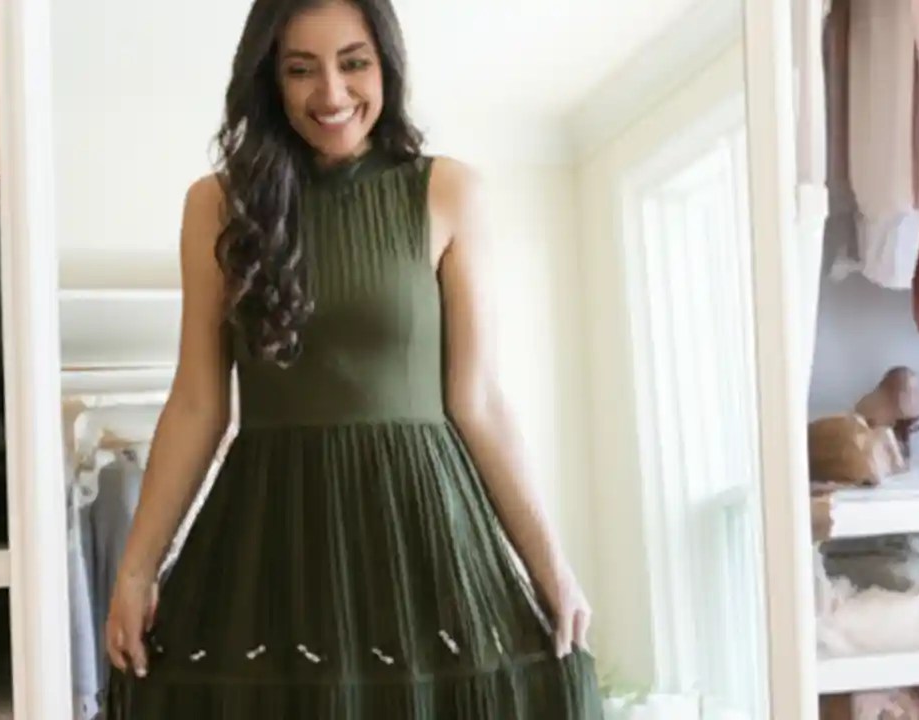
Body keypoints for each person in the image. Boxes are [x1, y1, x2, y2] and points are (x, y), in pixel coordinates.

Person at [102, 0, 603, 716]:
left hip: (422, 530)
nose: (331, 94)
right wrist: (134, 569)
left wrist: (551, 568)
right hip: (275, 536)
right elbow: (198, 403)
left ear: (387, 66)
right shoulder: (217, 206)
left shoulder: (448, 191)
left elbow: (479, 400)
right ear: (269, 79)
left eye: (353, 63)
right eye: (300, 69)